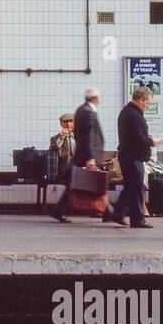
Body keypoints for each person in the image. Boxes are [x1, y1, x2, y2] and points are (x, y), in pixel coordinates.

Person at [53, 88, 108, 223]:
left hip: (83, 155)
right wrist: (90, 157)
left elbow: (80, 135)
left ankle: (59, 210)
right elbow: (89, 136)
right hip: (87, 156)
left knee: (75, 184)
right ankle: (108, 212)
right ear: (94, 98)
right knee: (96, 182)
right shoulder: (89, 112)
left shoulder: (81, 110)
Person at [113, 86, 157, 229]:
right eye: (148, 103)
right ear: (140, 100)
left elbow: (135, 135)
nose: (148, 106)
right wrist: (152, 141)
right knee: (136, 188)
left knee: (131, 187)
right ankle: (138, 220)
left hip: (129, 155)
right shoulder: (133, 114)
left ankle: (117, 214)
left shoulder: (130, 112)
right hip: (132, 156)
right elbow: (137, 137)